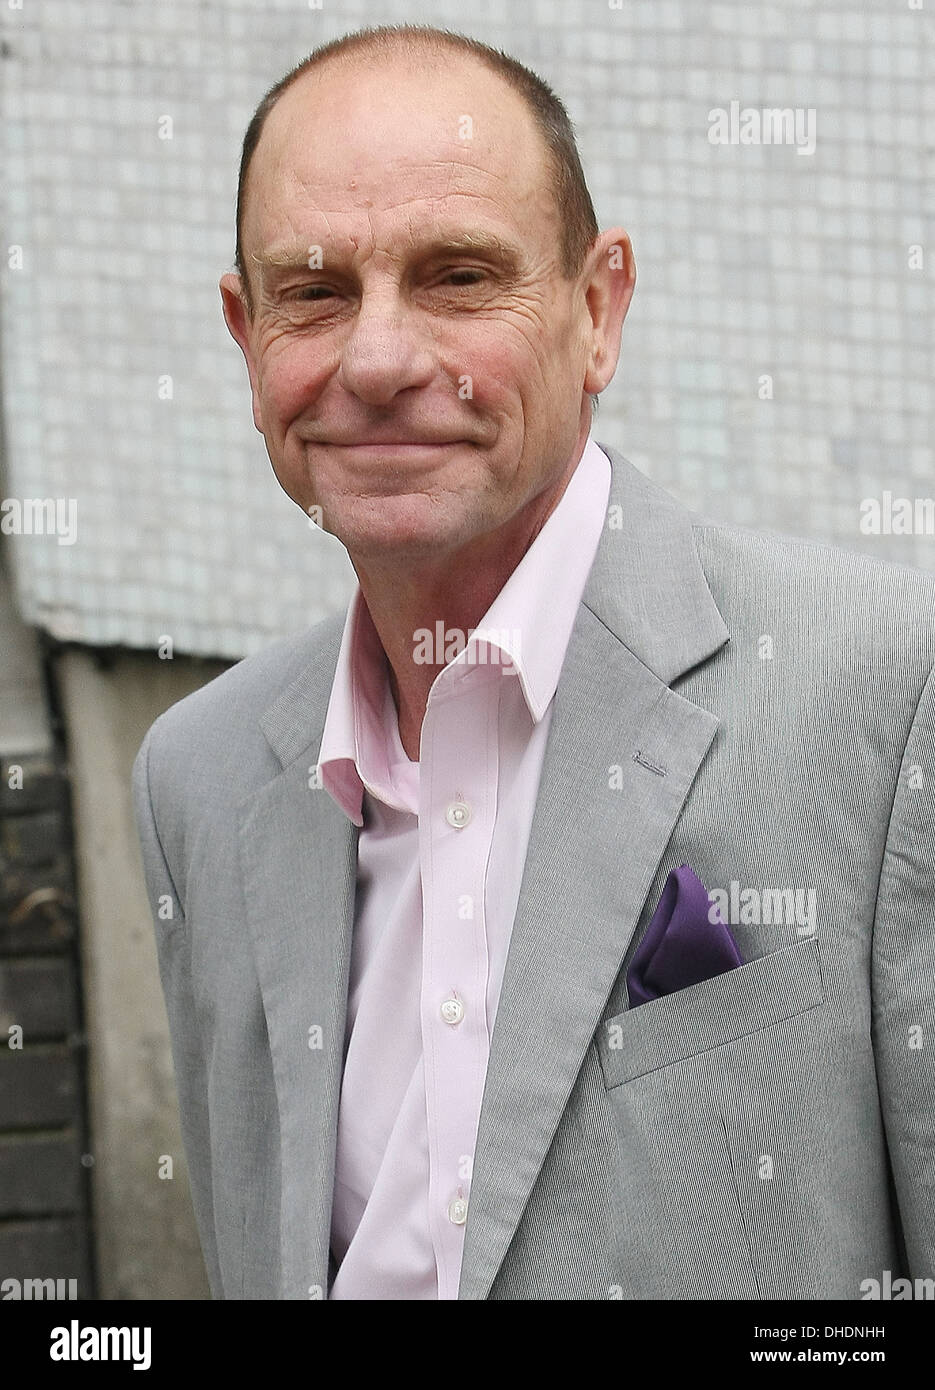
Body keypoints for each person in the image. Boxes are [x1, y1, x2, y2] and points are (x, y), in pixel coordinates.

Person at [133, 24, 935, 1300]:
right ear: (244, 335)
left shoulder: (885, 693)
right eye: (315, 290)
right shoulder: (199, 775)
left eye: (457, 277)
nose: (380, 360)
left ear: (595, 311)